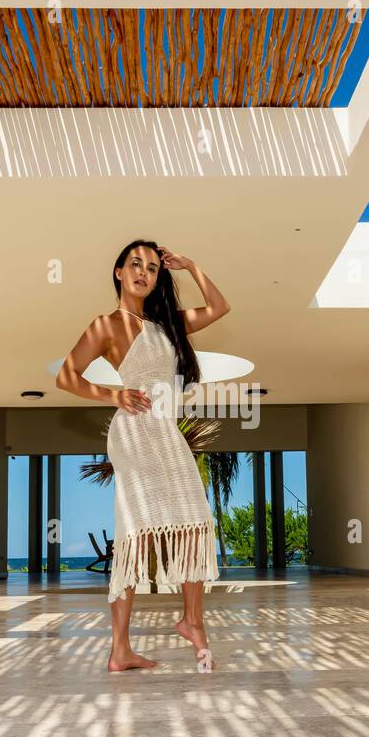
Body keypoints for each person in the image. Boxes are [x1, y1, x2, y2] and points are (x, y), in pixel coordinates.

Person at [56, 240, 231, 672]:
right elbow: (66, 376)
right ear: (119, 272)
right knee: (137, 533)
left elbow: (220, 306)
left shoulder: (166, 323)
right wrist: (113, 393)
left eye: (152, 268)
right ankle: (120, 649)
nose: (143, 273)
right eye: (135, 264)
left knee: (195, 520)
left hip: (165, 431)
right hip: (134, 432)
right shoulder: (106, 325)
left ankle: (192, 620)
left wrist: (190, 266)